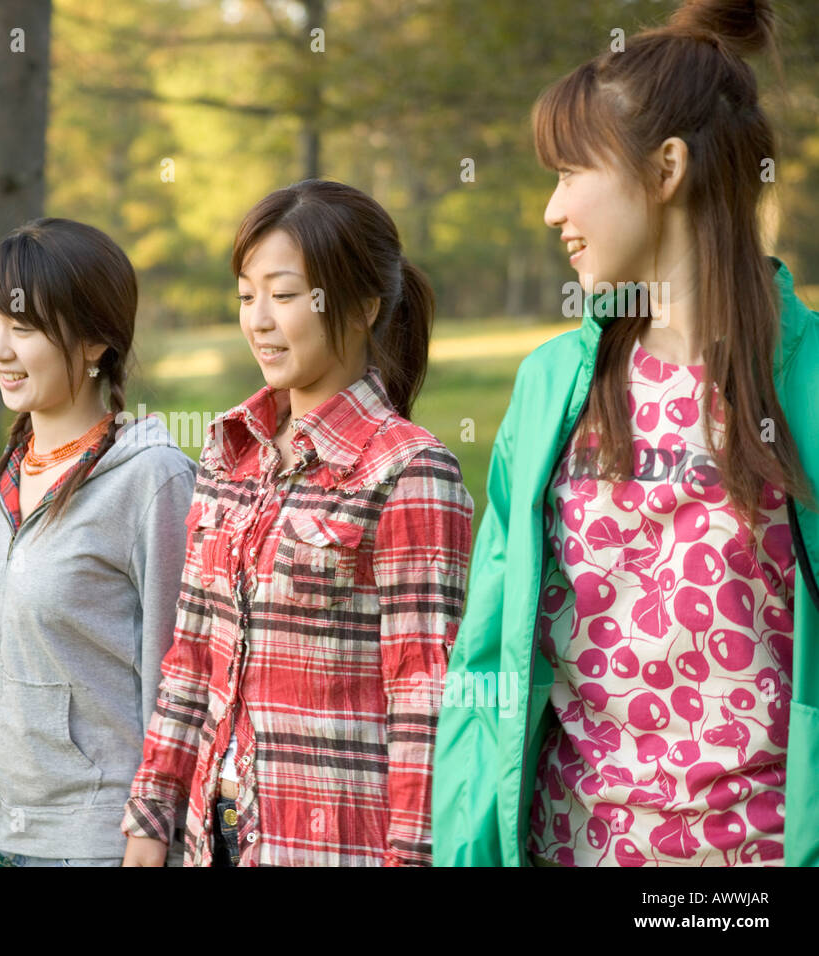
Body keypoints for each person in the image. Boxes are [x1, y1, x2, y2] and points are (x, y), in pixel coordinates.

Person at [433, 0, 819, 867]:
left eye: (571, 173)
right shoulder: (548, 390)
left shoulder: (811, 382)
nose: (549, 209)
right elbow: (486, 659)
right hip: (572, 848)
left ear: (666, 169)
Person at [121, 178, 474, 866]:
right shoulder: (229, 452)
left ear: (364, 306)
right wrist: (150, 815)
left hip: (335, 846)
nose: (258, 319)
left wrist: (416, 857)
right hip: (212, 834)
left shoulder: (408, 472)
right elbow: (191, 655)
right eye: (247, 297)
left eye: (283, 296)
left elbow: (424, 698)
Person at [0, 218, 195, 867]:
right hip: (5, 838)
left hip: (101, 844)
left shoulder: (151, 481)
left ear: (95, 341)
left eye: (23, 328)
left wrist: (156, 824)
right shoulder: (4, 489)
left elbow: (181, 675)